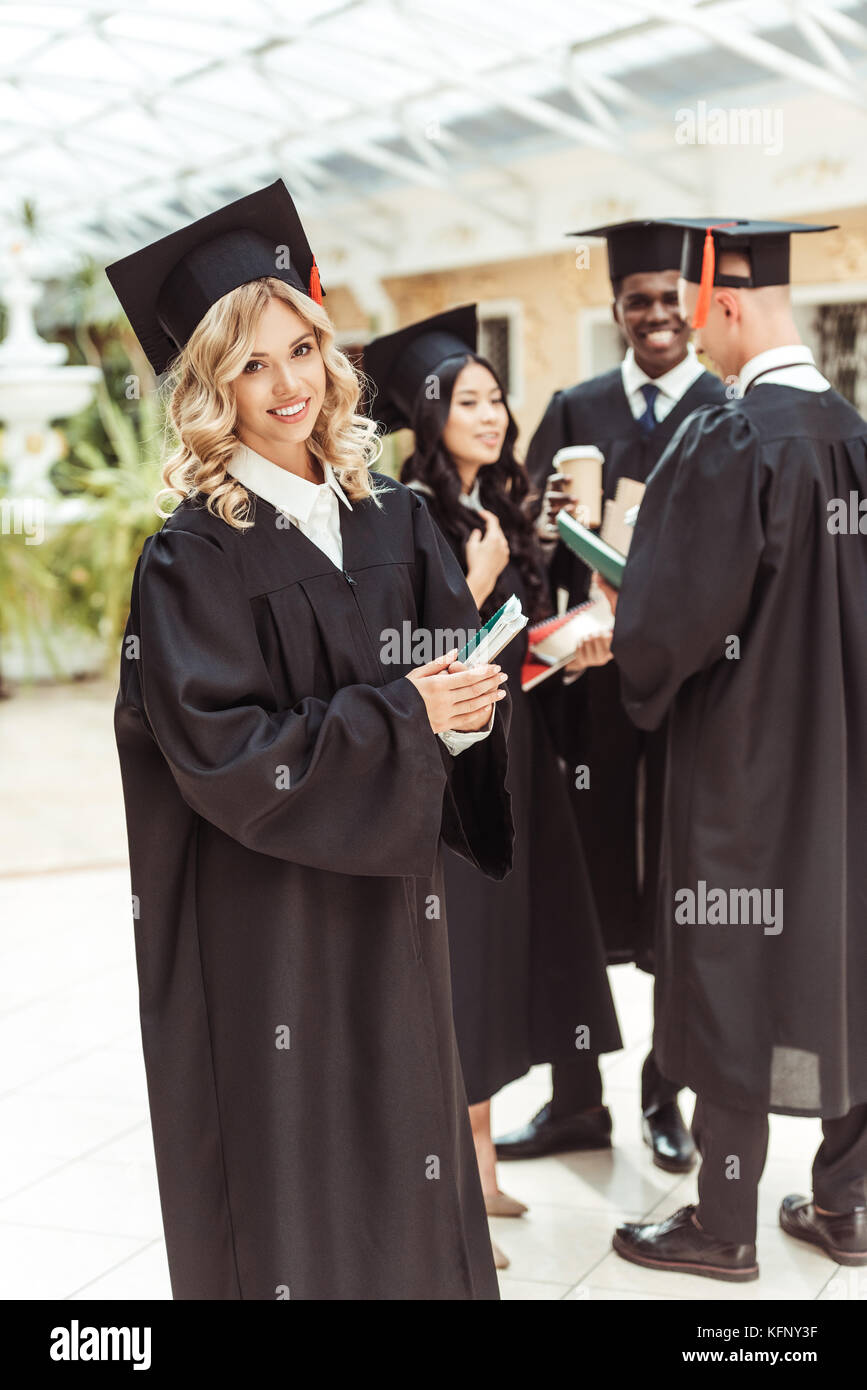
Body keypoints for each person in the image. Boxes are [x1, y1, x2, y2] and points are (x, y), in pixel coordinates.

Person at [106, 181, 515, 1300]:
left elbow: (455, 704)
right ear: (207, 386)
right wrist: (406, 718)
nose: (287, 384)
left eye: (300, 348)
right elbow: (224, 758)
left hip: (393, 910)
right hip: (268, 927)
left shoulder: (398, 520)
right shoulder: (191, 558)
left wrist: (477, 702)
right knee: (298, 1171)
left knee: (406, 1139)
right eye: (249, 363)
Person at [609, 217, 867, 1281]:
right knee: (849, 949)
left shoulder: (734, 435)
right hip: (850, 766)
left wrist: (628, 653)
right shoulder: (854, 432)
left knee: (730, 966)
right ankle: (848, 1204)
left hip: (747, 763)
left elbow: (669, 619)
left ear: (721, 305)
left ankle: (723, 1226)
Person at [364, 307, 622, 1268]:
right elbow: (398, 656)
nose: (495, 413)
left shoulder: (502, 506)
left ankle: (483, 1162)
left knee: (503, 959)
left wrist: (569, 642)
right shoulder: (404, 513)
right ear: (428, 415)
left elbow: (517, 644)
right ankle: (455, 1188)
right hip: (450, 764)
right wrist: (472, 588)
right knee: (459, 962)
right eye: (469, 400)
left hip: (514, 749)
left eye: (496, 396)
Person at [499, 221, 727, 1172]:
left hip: (691, 707)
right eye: (638, 298)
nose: (657, 314)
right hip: (588, 702)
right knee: (578, 896)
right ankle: (575, 1099)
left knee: (684, 903)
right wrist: (548, 534)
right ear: (616, 308)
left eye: (672, 297)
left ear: (698, 306)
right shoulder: (576, 405)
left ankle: (665, 1092)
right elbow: (528, 547)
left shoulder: (726, 408)